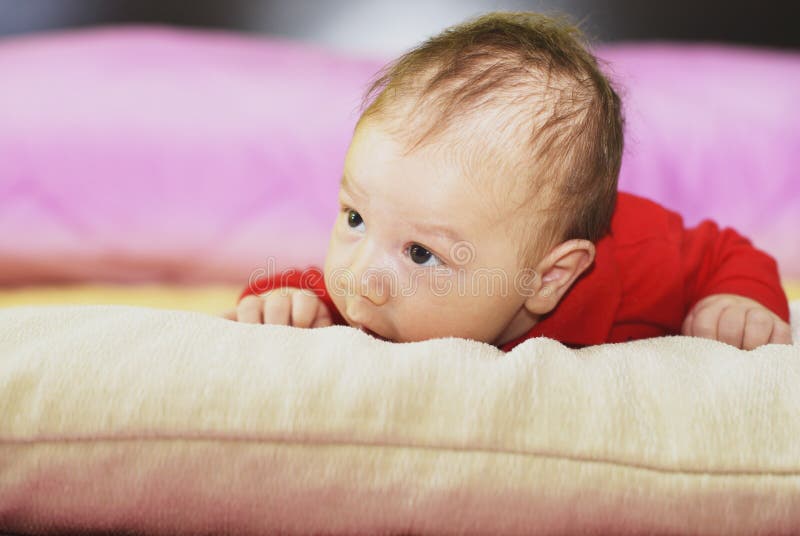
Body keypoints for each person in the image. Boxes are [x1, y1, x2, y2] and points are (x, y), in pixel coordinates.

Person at [222, 12, 792, 351]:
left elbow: (727, 255)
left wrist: (735, 301)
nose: (362, 278)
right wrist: (281, 305)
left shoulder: (642, 255)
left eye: (420, 253)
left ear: (549, 278)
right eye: (355, 218)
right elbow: (300, 292)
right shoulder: (359, 291)